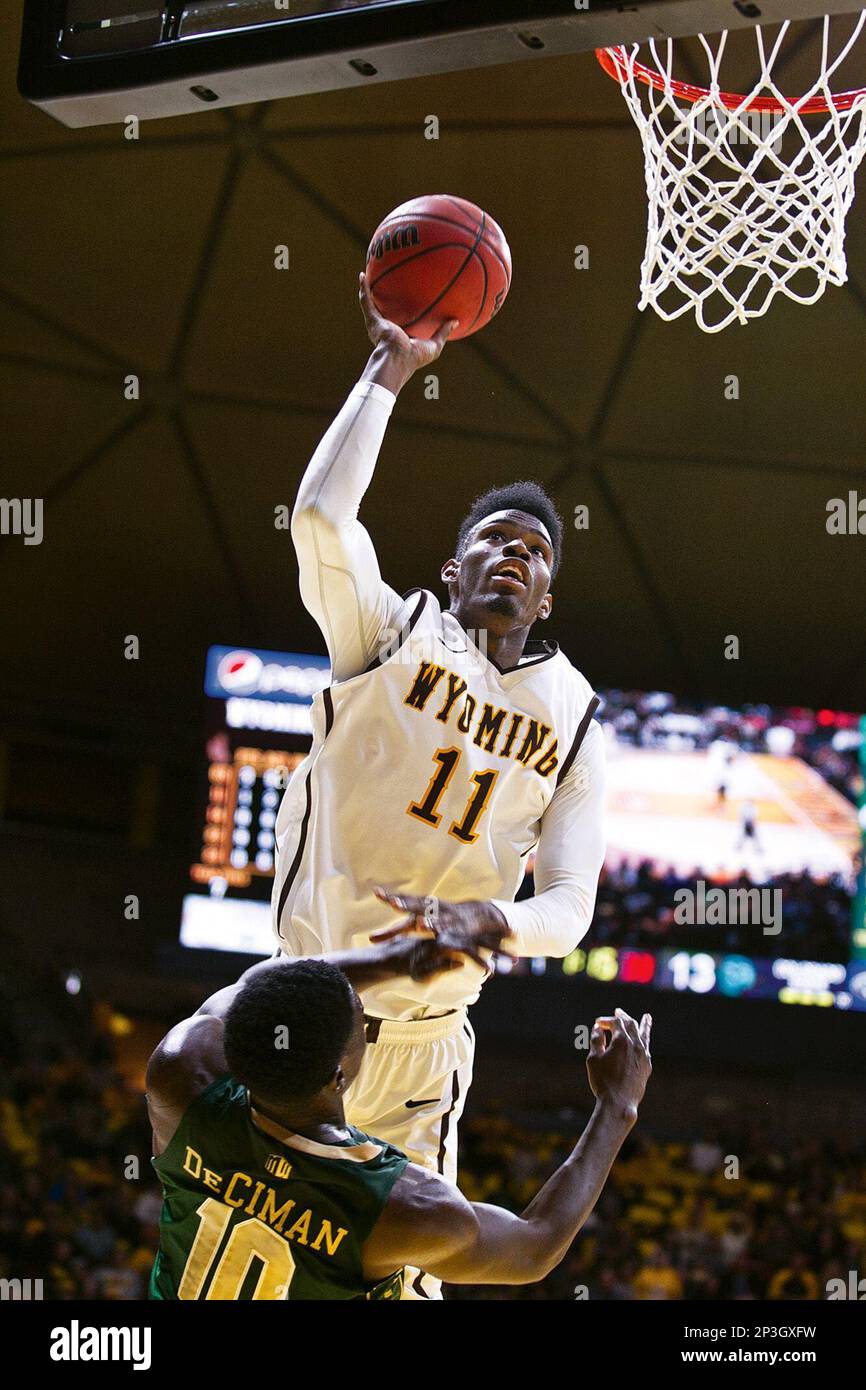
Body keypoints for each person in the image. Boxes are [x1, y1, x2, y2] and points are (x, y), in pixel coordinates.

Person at [271, 274, 607, 1294]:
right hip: (304, 1008)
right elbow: (322, 521)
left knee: (401, 1287)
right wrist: (389, 367)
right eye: (493, 539)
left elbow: (570, 905)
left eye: (535, 550)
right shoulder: (388, 631)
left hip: (422, 1049)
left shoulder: (578, 715)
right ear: (452, 569)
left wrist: (486, 923)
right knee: (263, 1270)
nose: (514, 553)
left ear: (546, 592)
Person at [146, 943, 651, 1299]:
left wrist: (393, 960)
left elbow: (254, 989)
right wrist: (617, 1105)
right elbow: (536, 1244)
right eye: (359, 1019)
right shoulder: (401, 1207)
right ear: (341, 1074)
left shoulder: (178, 1074)